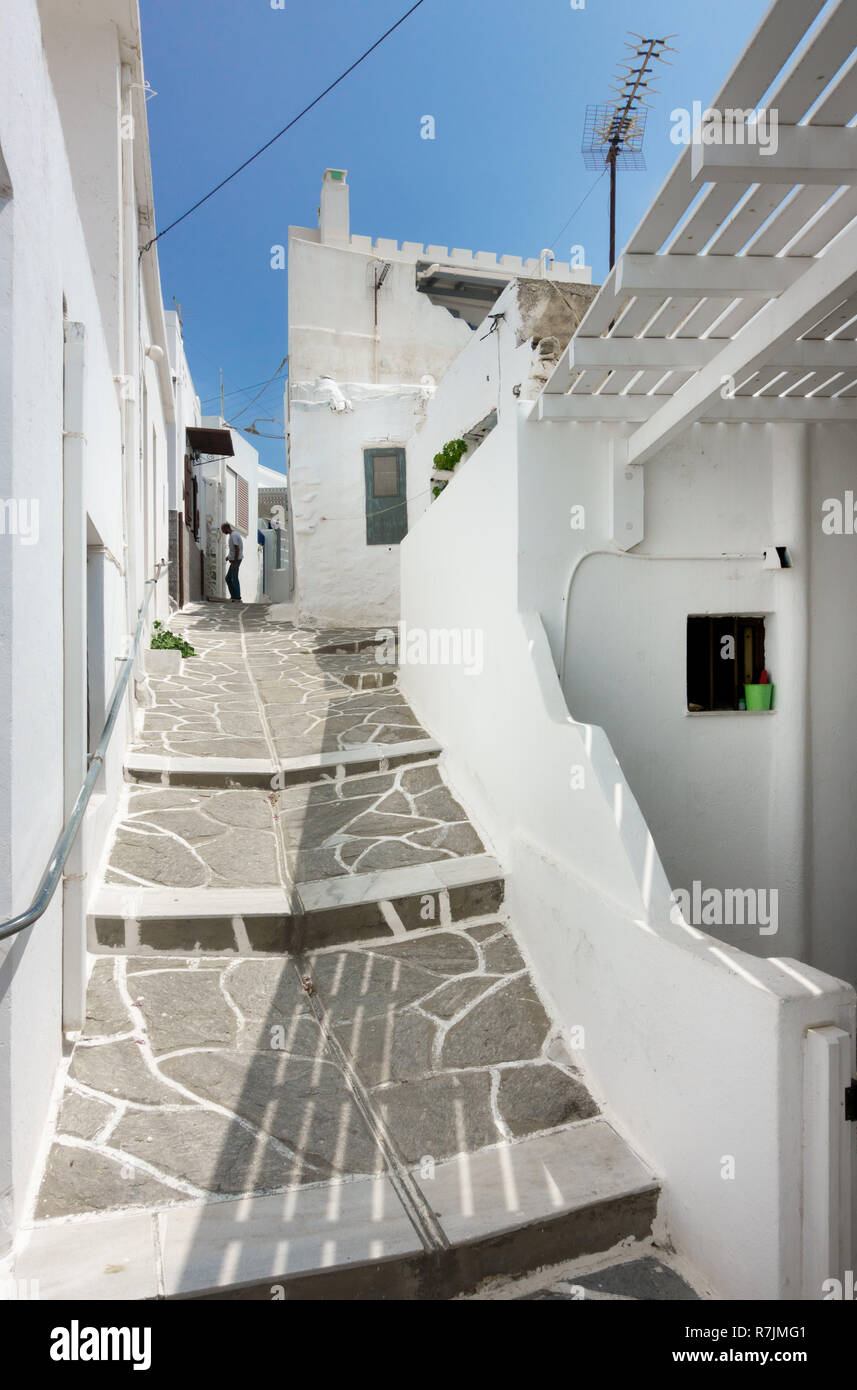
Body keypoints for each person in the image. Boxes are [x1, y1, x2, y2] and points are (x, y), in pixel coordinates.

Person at [220, 521, 244, 601]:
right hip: (234, 559)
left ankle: (237, 597)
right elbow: (233, 550)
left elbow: (237, 549)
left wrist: (235, 562)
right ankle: (234, 596)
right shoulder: (233, 534)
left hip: (236, 560)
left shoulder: (233, 535)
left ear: (226, 528)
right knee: (228, 578)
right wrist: (228, 557)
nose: (222, 532)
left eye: (223, 530)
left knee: (234, 578)